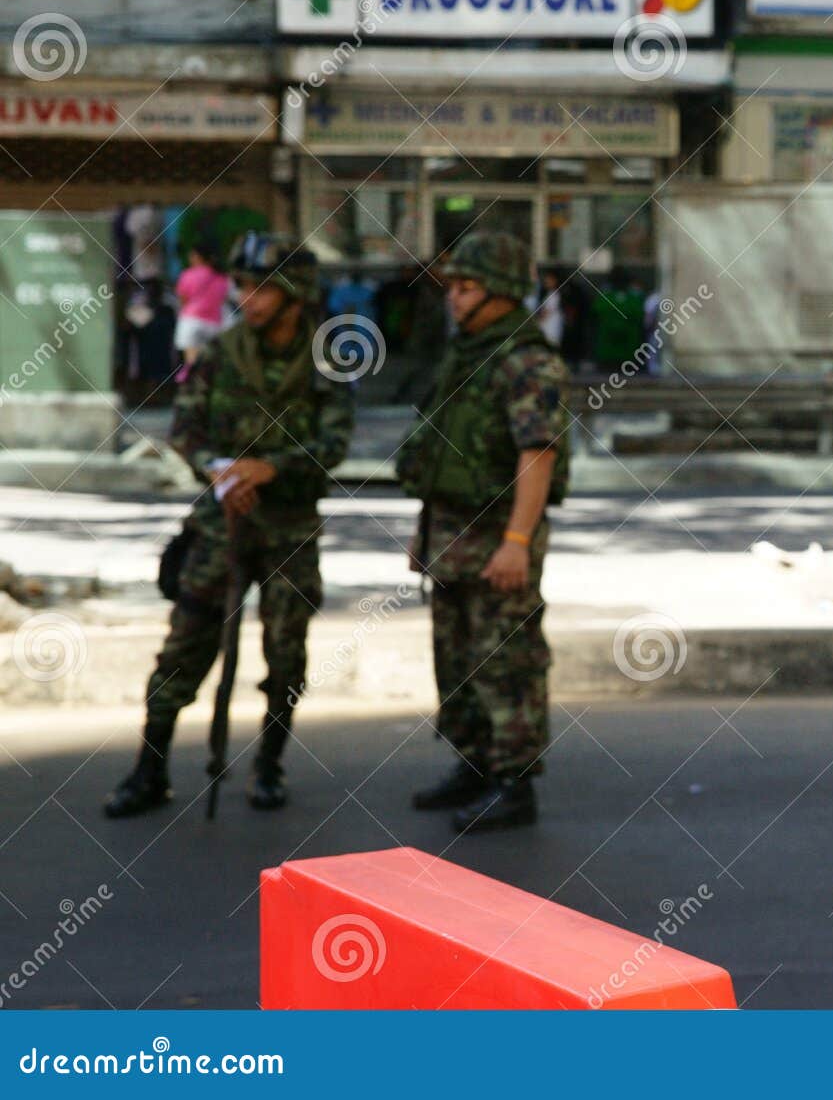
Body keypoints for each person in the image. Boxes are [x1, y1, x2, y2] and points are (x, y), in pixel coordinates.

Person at [104, 233, 354, 818]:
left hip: (289, 527)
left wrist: (270, 470)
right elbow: (185, 431)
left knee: (285, 653)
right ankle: (150, 769)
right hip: (221, 525)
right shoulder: (218, 355)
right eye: (242, 285)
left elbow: (335, 443)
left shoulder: (325, 362)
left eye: (261, 287)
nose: (247, 297)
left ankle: (268, 765)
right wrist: (223, 475)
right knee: (184, 646)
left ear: (296, 295)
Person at [396, 231, 571, 834]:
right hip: (452, 534)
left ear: (500, 291)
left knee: (507, 662)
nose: (455, 296)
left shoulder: (527, 360)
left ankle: (514, 784)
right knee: (457, 658)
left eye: (468, 286)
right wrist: (427, 538)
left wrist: (518, 542)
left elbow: (538, 453)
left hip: (499, 537)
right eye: (453, 285)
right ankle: (473, 764)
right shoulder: (467, 353)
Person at [174, 244, 230, 364]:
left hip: (191, 322)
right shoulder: (222, 278)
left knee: (191, 363)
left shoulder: (188, 275)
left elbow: (183, 300)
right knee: (211, 363)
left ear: (198, 257)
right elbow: (223, 299)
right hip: (214, 325)